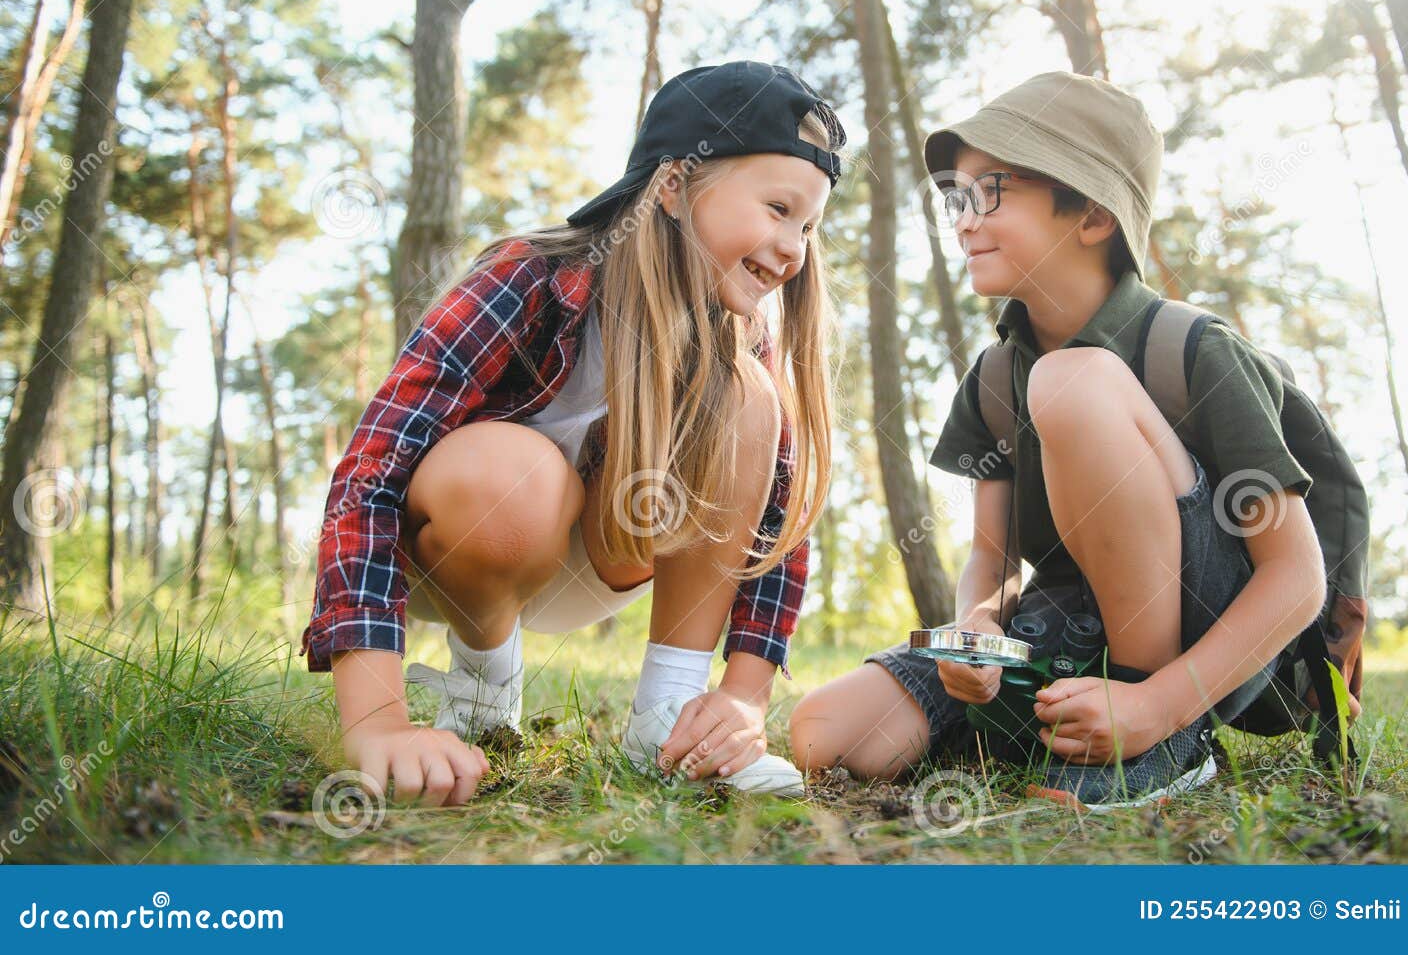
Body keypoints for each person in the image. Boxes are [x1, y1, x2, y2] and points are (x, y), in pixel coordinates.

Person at [301, 61, 846, 807]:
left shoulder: (741, 342)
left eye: (809, 225)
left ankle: (667, 715)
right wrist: (376, 721)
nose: (794, 247)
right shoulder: (529, 277)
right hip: (469, 548)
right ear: (674, 186)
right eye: (779, 207)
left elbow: (774, 524)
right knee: (512, 471)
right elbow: (370, 471)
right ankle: (485, 682)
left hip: (609, 556)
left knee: (744, 394)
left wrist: (743, 695)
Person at [789, 71, 1330, 812]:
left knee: (1071, 382)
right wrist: (976, 623)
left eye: (993, 193)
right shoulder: (994, 380)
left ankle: (1158, 740)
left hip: (1191, 637)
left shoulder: (1195, 350)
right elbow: (992, 555)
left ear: (1092, 215)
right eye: (958, 197)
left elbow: (1298, 577)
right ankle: (1041, 722)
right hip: (1060, 624)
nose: (964, 219)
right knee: (825, 733)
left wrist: (1159, 705)